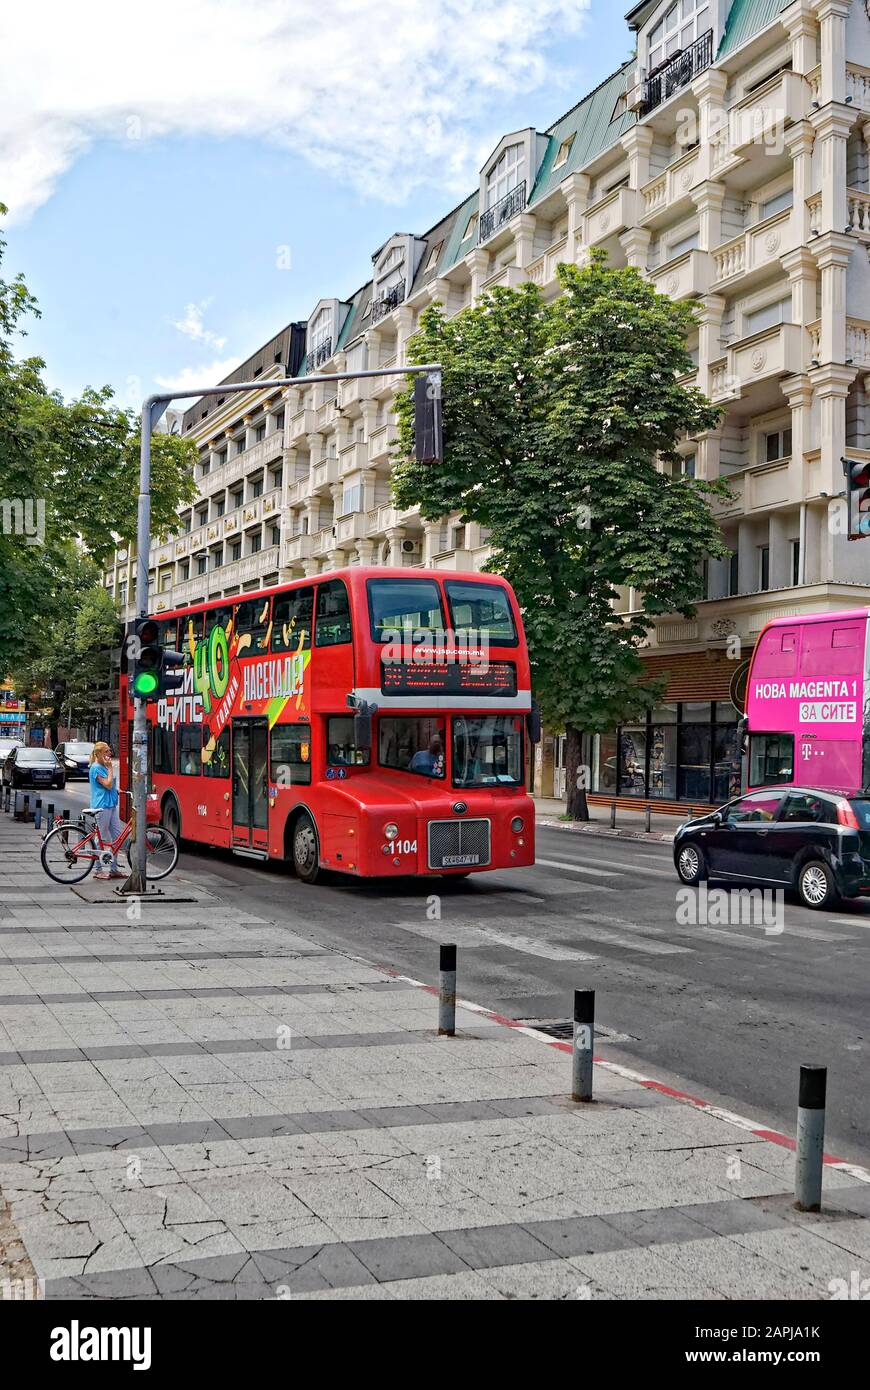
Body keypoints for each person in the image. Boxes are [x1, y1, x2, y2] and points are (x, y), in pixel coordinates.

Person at [88, 742, 125, 880]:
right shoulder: (96, 768)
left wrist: (117, 790)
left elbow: (109, 786)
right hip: (101, 806)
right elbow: (107, 785)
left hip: (111, 805)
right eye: (106, 752)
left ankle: (114, 869)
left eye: (109, 751)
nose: (110, 754)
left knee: (117, 837)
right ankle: (97, 870)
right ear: (98, 754)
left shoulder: (103, 766)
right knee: (101, 839)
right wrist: (110, 769)